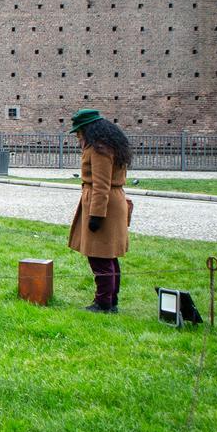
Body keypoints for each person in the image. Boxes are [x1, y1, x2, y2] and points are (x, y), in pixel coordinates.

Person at [67, 109, 131, 313]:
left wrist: (96, 216)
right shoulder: (111, 145)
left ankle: (103, 302)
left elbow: (101, 185)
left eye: (79, 131)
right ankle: (111, 300)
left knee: (99, 256)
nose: (78, 135)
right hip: (110, 202)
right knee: (108, 255)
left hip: (103, 205)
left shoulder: (99, 149)